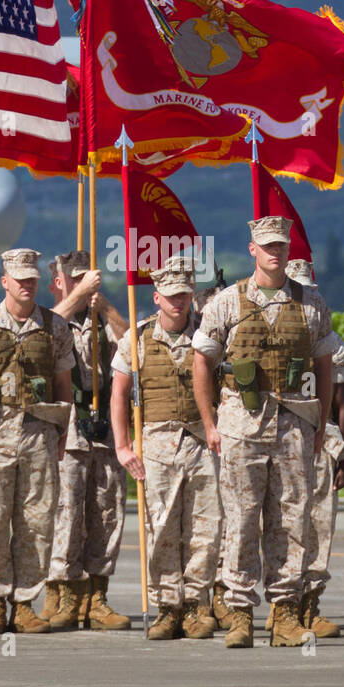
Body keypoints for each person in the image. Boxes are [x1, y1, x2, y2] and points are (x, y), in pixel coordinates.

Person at [192, 217, 337, 648]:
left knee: (292, 519)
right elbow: (202, 360)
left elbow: (325, 366)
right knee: (240, 518)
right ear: (252, 249)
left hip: (294, 423)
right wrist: (208, 423)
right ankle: (238, 613)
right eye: (267, 245)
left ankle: (285, 613)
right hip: (241, 425)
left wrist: (320, 422)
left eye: (281, 245)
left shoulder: (311, 304)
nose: (276, 252)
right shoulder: (227, 303)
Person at [0, 249, 73, 635]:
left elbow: (63, 385)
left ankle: (24, 604)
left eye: (31, 279)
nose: (26, 285)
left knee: (36, 523)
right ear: (4, 281)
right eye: (18, 279)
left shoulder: (54, 327)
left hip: (38, 432)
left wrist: (62, 433)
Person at [110, 256, 220, 640]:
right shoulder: (137, 340)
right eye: (172, 296)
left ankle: (195, 606)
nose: (179, 302)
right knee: (160, 528)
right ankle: (167, 607)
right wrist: (123, 446)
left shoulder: (210, 335)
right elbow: (119, 394)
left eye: (185, 295)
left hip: (202, 443)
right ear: (156, 297)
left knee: (205, 529)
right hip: (156, 443)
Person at [45, 250, 131, 631]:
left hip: (105, 430)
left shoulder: (100, 320)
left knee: (106, 512)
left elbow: (134, 346)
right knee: (66, 515)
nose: (82, 285)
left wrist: (105, 306)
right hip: (69, 430)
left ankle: (97, 596)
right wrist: (79, 296)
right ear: (59, 283)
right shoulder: (49, 318)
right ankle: (64, 594)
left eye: (87, 278)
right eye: (73, 279)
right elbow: (43, 332)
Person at [286, 259, 344, 640]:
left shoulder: (333, 346)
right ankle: (282, 604)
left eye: (308, 290)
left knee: (319, 523)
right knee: (279, 526)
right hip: (276, 437)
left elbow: (341, 403)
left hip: (319, 439)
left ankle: (311, 604)